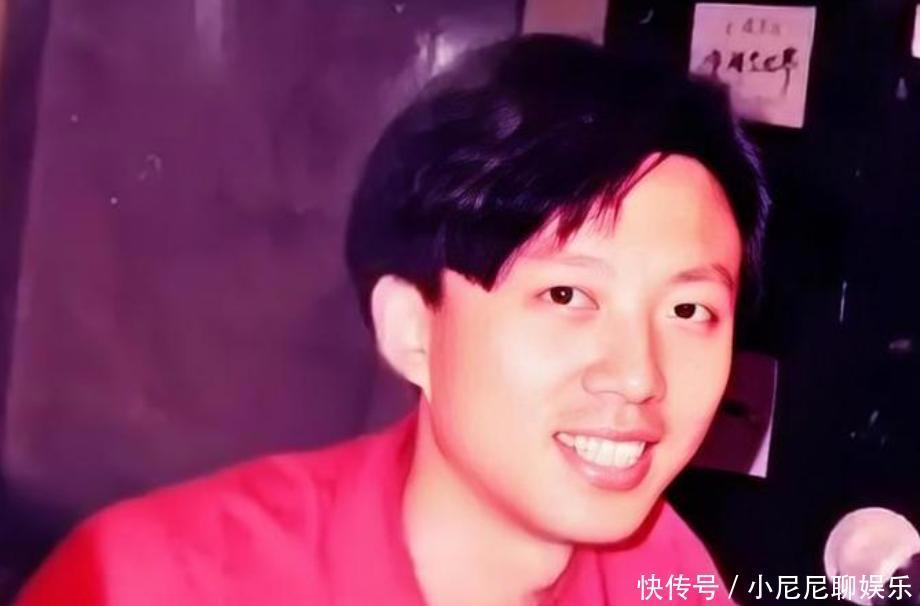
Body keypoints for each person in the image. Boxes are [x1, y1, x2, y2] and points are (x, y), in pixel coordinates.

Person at [14, 34, 770, 605]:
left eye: (688, 309)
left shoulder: (665, 576)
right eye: (568, 297)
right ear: (412, 328)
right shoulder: (152, 583)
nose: (637, 376)